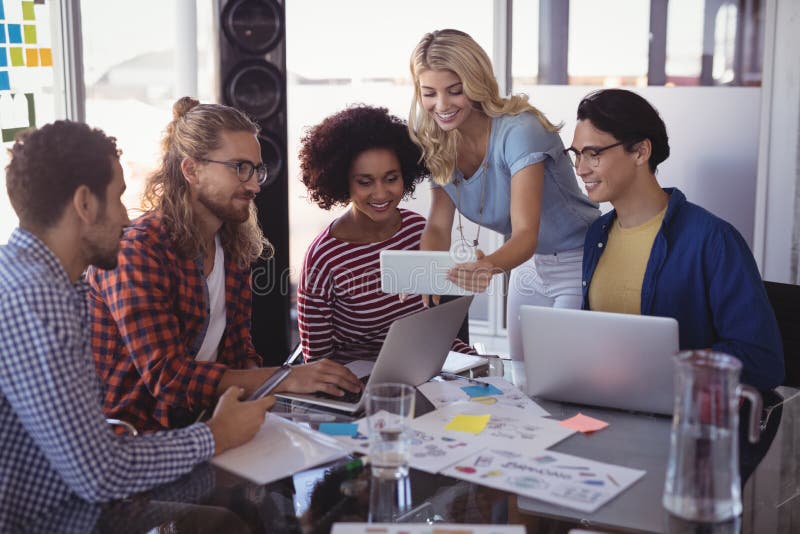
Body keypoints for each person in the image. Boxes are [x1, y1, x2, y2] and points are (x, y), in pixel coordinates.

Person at [0, 121, 274, 532]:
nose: (128, 220)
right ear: (84, 205)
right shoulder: (38, 302)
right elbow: (99, 474)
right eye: (118, 199)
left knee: (228, 520)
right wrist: (214, 435)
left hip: (77, 500)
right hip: (59, 519)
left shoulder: (41, 280)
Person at [87, 98, 362, 433]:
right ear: (191, 170)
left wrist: (273, 399)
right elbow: (169, 378)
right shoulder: (138, 251)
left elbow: (238, 352)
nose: (255, 185)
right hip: (143, 439)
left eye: (256, 170)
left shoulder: (231, 241)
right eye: (239, 168)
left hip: (209, 421)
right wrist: (286, 379)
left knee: (344, 436)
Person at [572, 88, 784, 390]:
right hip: (608, 408)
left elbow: (762, 360)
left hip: (675, 422)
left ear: (640, 152)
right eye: (576, 155)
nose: (580, 169)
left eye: (593, 154)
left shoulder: (713, 240)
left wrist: (665, 366)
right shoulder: (597, 234)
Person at [408, 29, 600, 360]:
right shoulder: (440, 142)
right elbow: (439, 226)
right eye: (429, 94)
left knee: (562, 376)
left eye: (455, 91)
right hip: (529, 267)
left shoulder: (519, 131)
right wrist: (428, 273)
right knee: (522, 376)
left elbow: (526, 232)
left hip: (578, 261)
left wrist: (488, 267)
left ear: (476, 81)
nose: (441, 106)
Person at [297, 105, 473, 360]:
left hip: (425, 367)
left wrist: (475, 362)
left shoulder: (418, 232)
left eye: (391, 179)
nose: (380, 194)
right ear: (343, 182)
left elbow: (436, 327)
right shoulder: (323, 258)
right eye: (365, 182)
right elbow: (316, 362)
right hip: (360, 384)